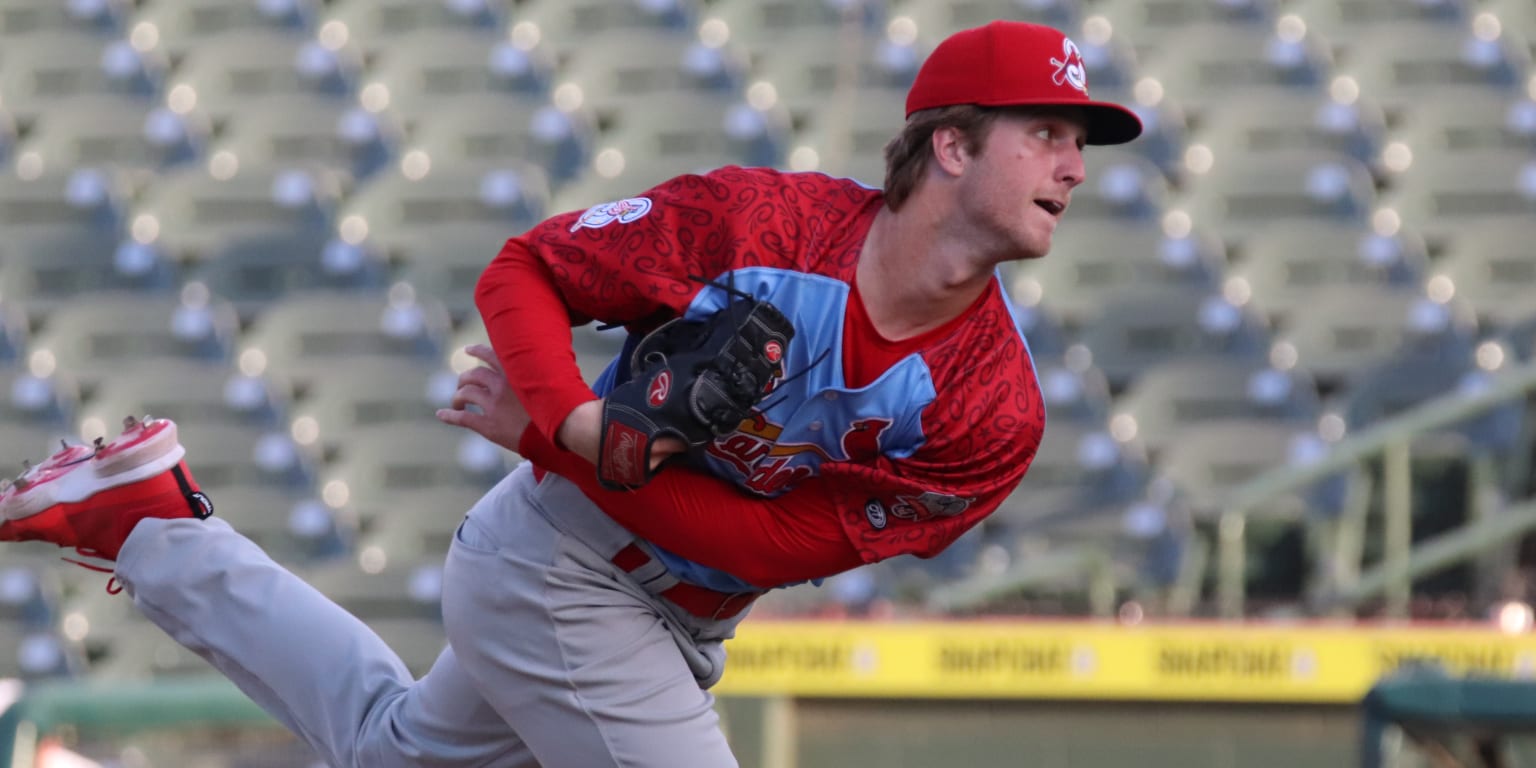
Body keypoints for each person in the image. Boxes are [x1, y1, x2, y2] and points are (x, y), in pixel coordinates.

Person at [0, 20, 1141, 768]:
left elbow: (766, 548)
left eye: (1077, 143)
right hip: (562, 568)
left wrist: (560, 439)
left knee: (391, 749)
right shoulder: (763, 227)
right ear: (948, 146)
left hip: (674, 602)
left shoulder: (994, 408)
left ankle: (149, 526)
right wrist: (580, 427)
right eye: (1045, 135)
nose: (1075, 167)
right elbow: (527, 270)